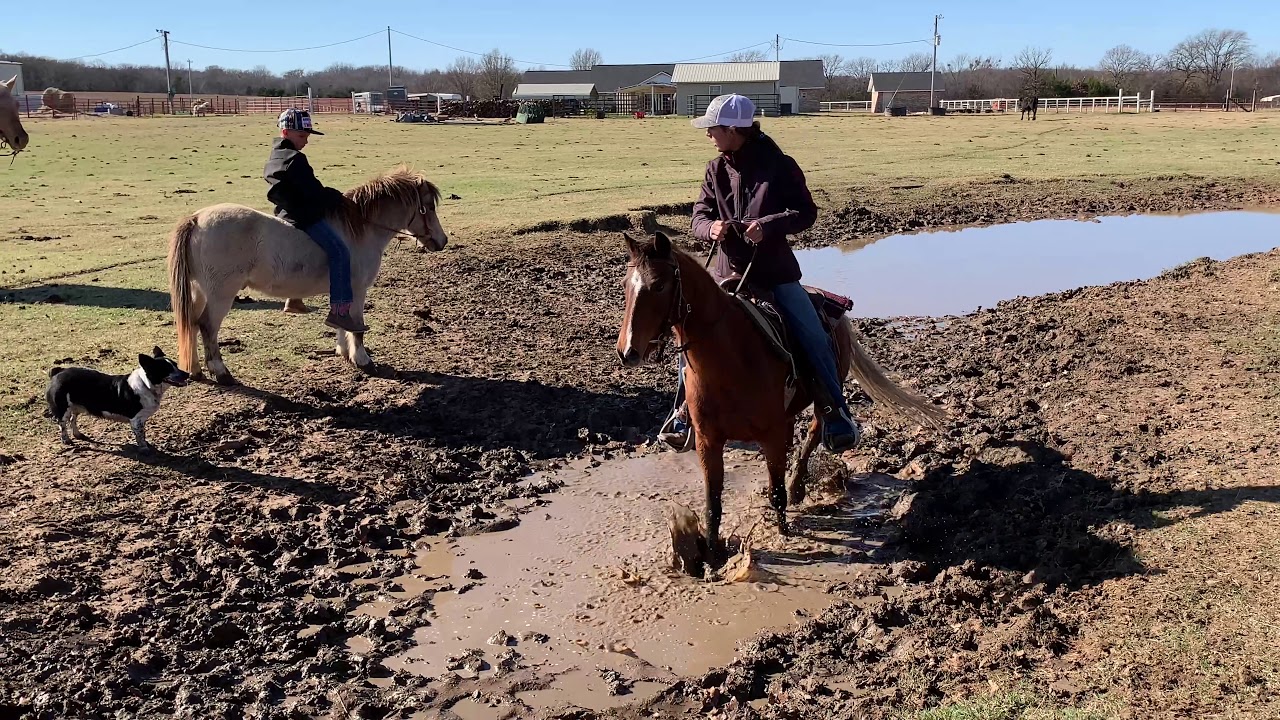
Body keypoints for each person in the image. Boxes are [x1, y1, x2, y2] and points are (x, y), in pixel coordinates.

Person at [658, 94, 860, 454]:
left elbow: (805, 212)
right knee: (687, 331)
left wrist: (766, 226)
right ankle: (683, 415)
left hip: (774, 274)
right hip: (724, 274)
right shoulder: (714, 170)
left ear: (734, 130)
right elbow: (698, 217)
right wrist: (711, 229)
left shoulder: (781, 166)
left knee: (811, 332)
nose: (708, 135)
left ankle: (834, 412)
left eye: (713, 128)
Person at [263, 108, 366, 333]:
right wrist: (336, 197)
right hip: (303, 216)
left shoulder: (276, 154)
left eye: (307, 136)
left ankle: (294, 298)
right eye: (302, 136)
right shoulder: (296, 160)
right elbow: (313, 192)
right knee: (340, 252)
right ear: (285, 132)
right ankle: (340, 312)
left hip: (283, 212)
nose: (306, 141)